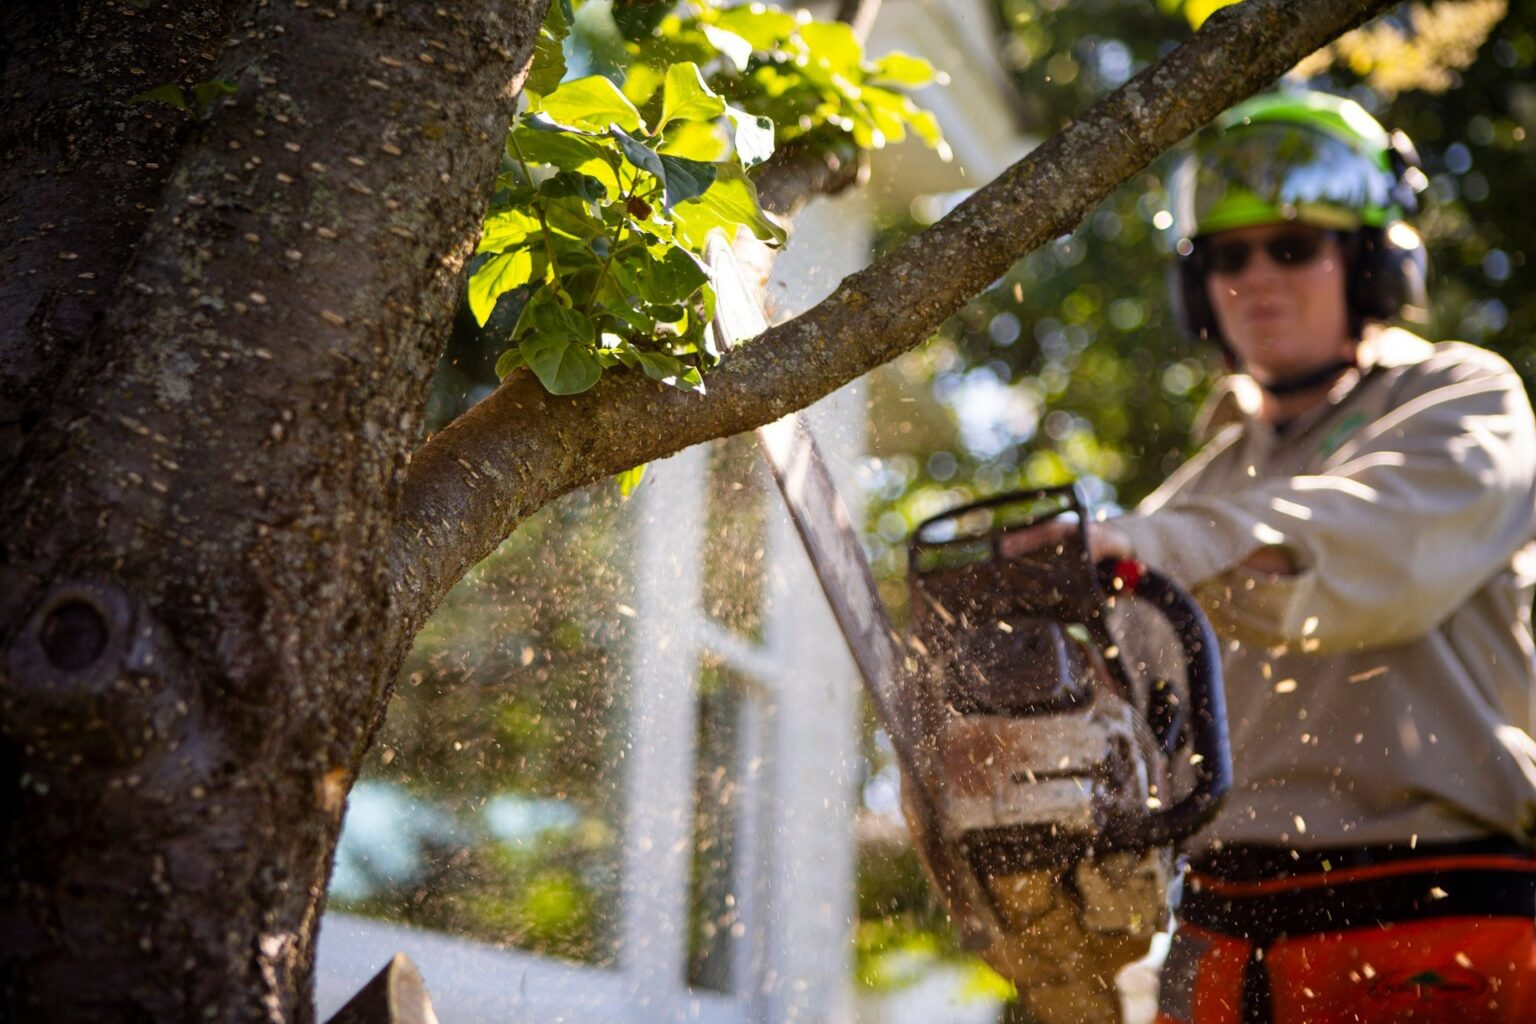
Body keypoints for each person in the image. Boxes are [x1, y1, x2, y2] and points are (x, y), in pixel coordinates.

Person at [1076, 90, 1536, 1022]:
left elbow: (1371, 549)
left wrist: (1145, 546)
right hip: (1222, 935)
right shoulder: (1196, 492)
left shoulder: (1462, 400)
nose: (1257, 279)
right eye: (1228, 256)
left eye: (1294, 247)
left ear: (1370, 263)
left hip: (1436, 920)